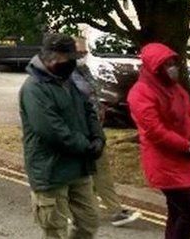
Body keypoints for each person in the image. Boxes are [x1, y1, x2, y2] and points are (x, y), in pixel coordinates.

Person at [20, 33, 103, 239]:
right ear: (52, 57)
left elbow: (88, 109)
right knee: (55, 231)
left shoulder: (69, 81)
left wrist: (98, 138)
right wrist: (86, 145)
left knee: (89, 222)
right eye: (69, 58)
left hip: (78, 167)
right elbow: (51, 129)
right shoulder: (33, 88)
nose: (73, 63)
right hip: (50, 169)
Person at [127, 43, 190, 239]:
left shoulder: (175, 88)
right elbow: (155, 131)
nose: (172, 67)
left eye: (173, 62)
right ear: (155, 68)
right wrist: (187, 146)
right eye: (166, 64)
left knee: (177, 212)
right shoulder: (141, 92)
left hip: (182, 158)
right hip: (164, 162)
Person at [71, 38, 140, 227]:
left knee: (100, 170)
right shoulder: (62, 76)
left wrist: (100, 109)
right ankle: (73, 211)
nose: (82, 56)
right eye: (79, 53)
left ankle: (115, 211)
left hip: (93, 129)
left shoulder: (84, 71)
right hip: (75, 132)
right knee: (78, 174)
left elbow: (93, 95)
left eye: (85, 52)